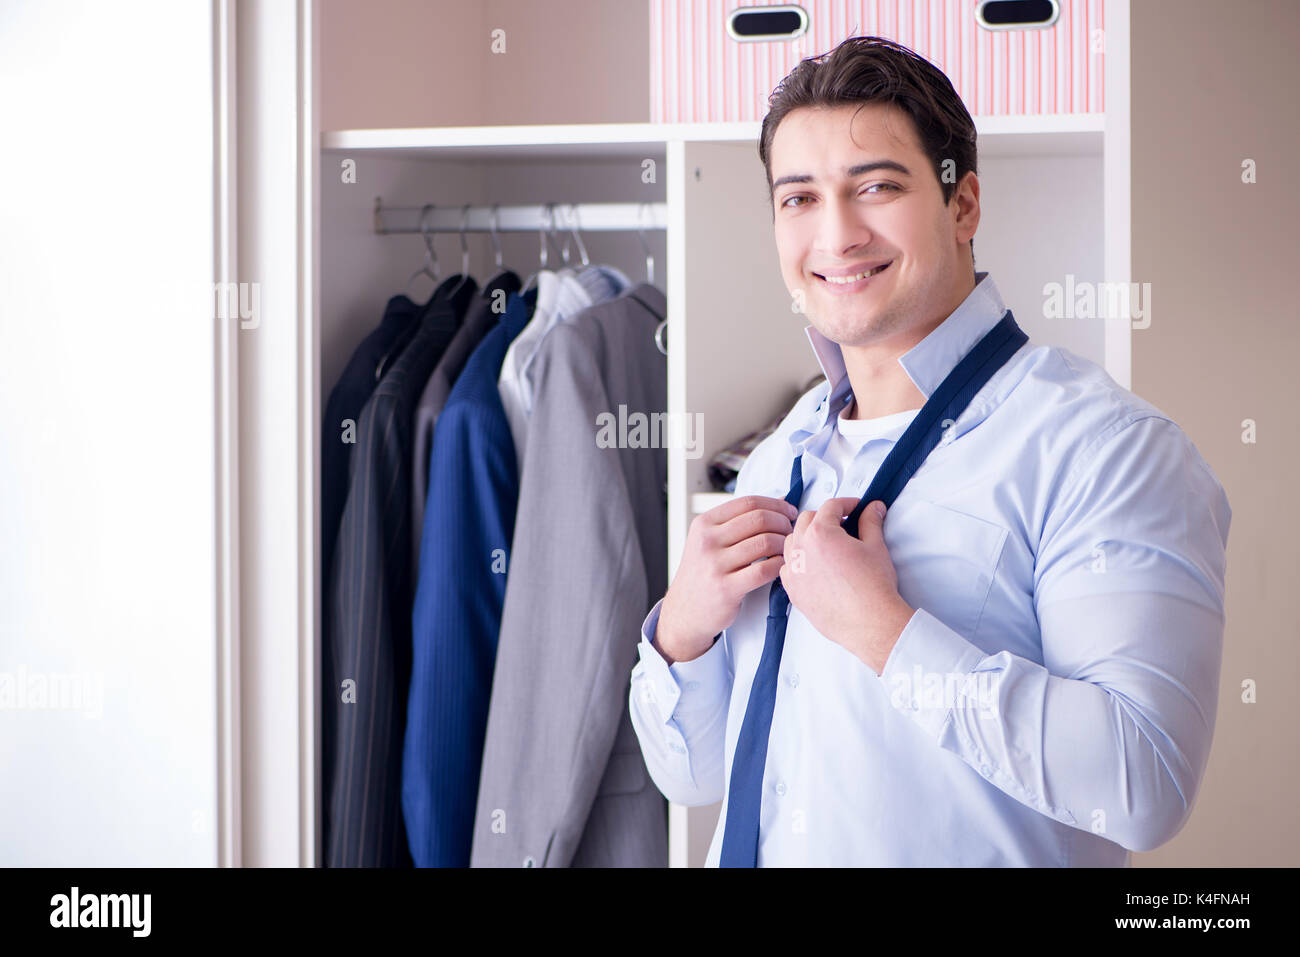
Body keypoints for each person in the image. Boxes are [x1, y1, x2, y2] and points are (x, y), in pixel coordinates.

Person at [628, 36, 1231, 867]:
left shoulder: (1105, 451)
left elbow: (1143, 785)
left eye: (874, 186)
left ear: (963, 205)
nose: (835, 236)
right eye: (799, 198)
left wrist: (885, 631)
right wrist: (683, 635)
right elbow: (692, 775)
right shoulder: (778, 460)